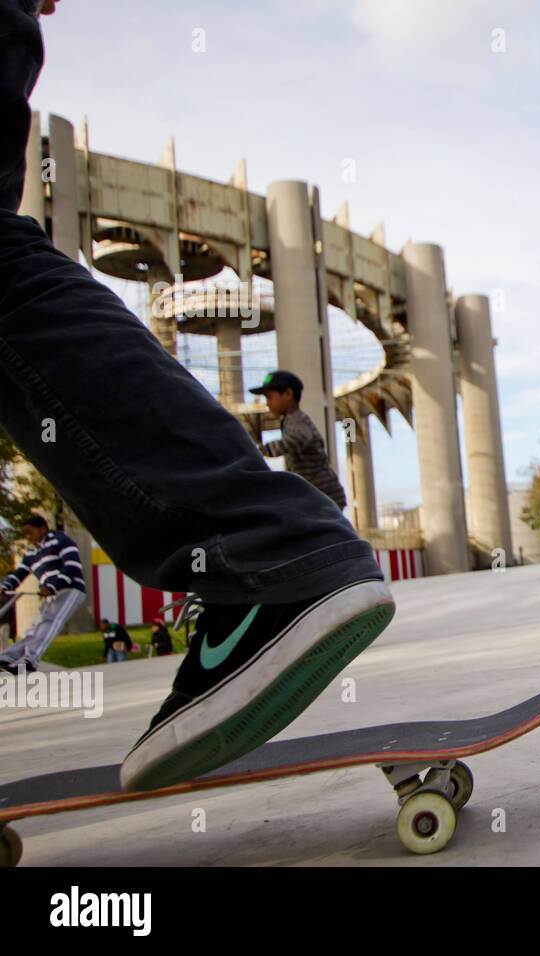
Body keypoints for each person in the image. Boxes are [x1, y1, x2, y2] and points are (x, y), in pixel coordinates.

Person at [1, 0, 394, 791]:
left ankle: (268, 557)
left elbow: (316, 469)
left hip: (298, 513)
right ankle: (272, 549)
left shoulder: (305, 433)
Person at [251, 370, 349, 511]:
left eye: (270, 397)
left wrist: (264, 450)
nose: (267, 404)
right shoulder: (288, 421)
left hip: (323, 494)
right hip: (317, 494)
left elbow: (300, 438)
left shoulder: (296, 419)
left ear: (288, 394)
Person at [0, 515, 86, 672]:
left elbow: (72, 566)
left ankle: (30, 661)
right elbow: (20, 572)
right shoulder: (32, 552)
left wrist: (53, 586)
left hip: (69, 589)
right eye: (25, 534)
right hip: (50, 592)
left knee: (50, 622)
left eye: (30, 533)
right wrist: (5, 586)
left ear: (43, 528)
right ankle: (7, 658)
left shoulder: (60, 540)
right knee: (34, 627)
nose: (28, 537)